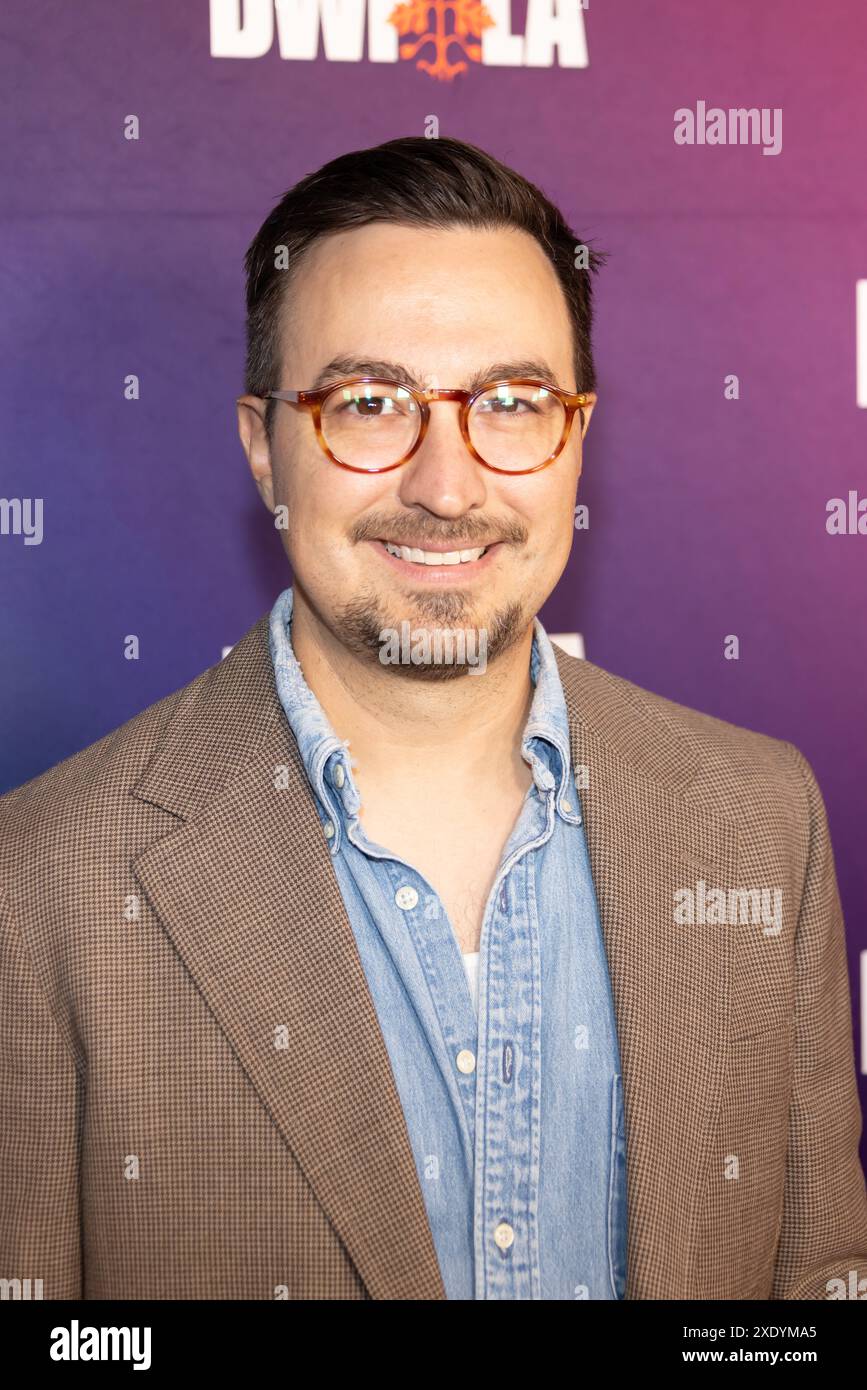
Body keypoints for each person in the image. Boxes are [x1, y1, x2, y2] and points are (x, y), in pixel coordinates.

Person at [1, 136, 865, 1301]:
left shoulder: (760, 823)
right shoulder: (44, 881)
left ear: (576, 441)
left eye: (511, 402)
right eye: (368, 403)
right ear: (264, 449)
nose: (447, 486)